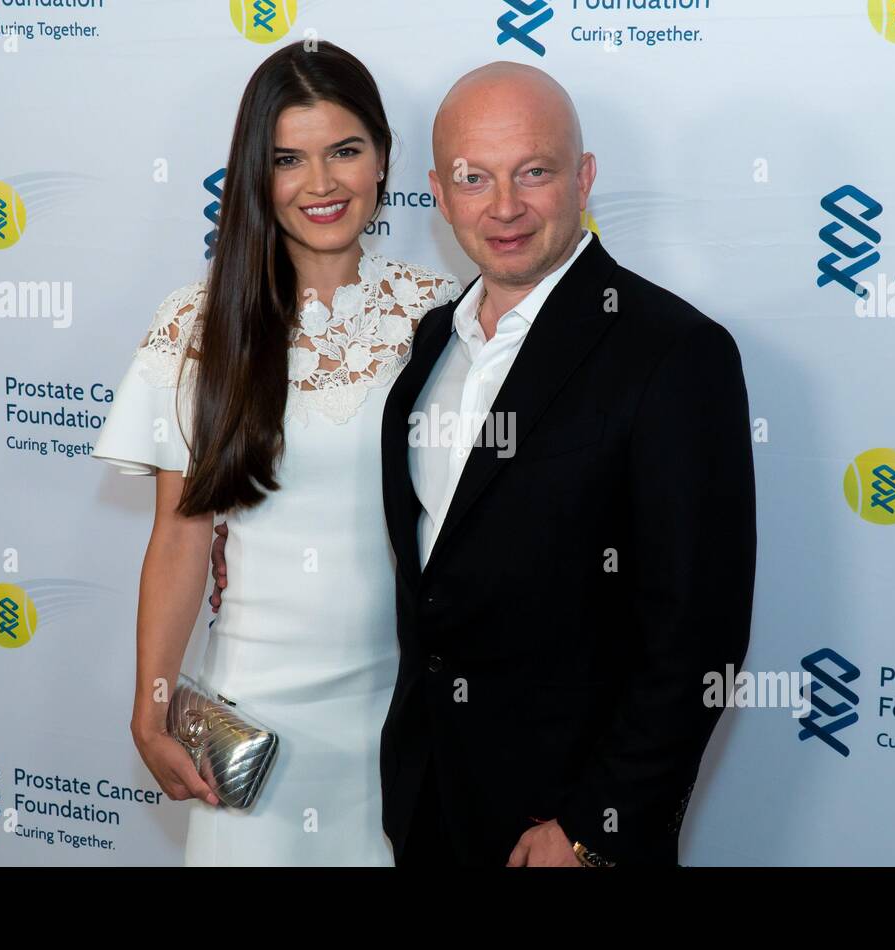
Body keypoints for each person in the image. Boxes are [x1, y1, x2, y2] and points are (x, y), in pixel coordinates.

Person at [213, 61, 757, 867]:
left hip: (565, 832)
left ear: (585, 178)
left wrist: (593, 827)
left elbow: (698, 636)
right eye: (475, 178)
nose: (504, 207)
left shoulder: (672, 352)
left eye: (534, 172)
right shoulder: (429, 344)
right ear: (437, 190)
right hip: (426, 808)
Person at [91, 40, 460, 866]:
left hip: (411, 715)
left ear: (383, 159)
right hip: (251, 728)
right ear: (253, 173)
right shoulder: (197, 325)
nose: (320, 185)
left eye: (345, 152)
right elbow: (183, 536)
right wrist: (151, 710)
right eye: (288, 159)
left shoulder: (445, 317)